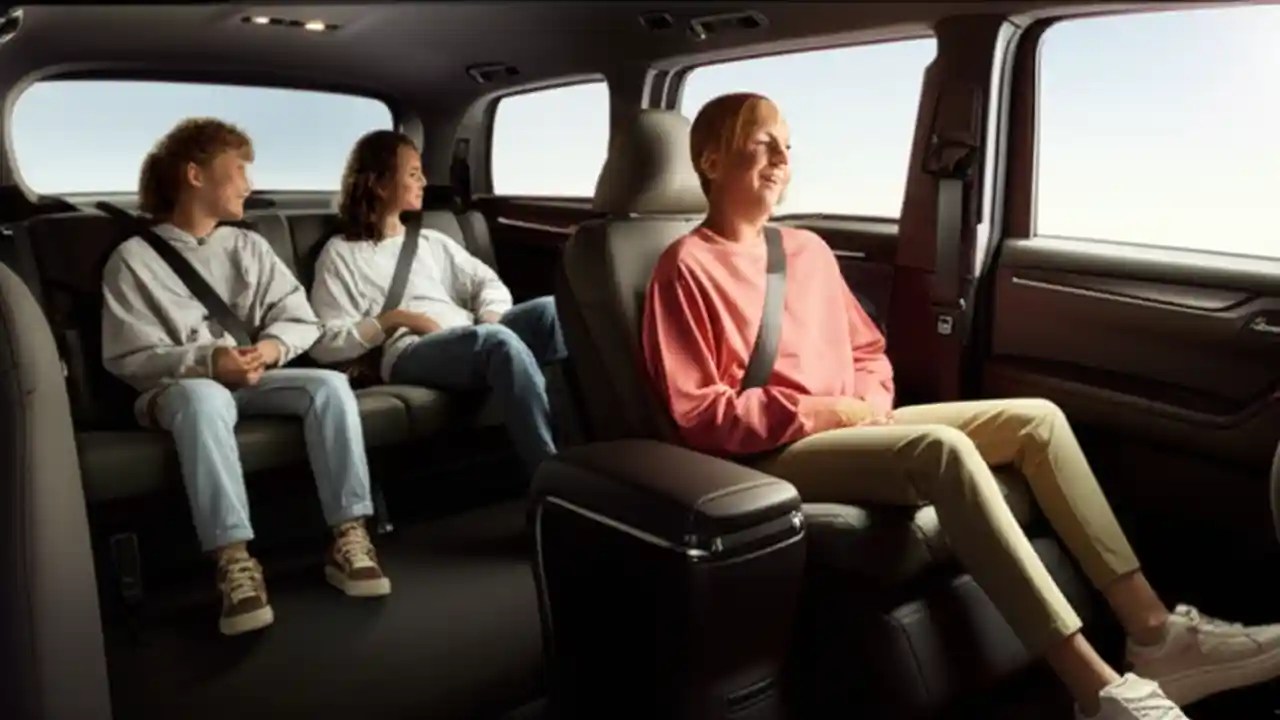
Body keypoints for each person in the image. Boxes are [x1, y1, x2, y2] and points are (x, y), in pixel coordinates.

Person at [640, 93, 1280, 720]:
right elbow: (701, 414)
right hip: (773, 454)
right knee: (942, 450)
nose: (782, 156)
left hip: (855, 423)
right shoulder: (684, 268)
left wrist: (868, 399)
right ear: (711, 163)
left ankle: (1155, 634)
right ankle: (1097, 688)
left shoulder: (804, 250)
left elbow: (868, 350)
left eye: (788, 146)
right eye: (762, 143)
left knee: (1035, 419)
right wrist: (831, 413)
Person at [102, 118, 391, 637]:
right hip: (175, 392)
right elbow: (130, 357)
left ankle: (349, 533)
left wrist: (272, 348)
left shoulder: (248, 248)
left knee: (328, 386)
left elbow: (301, 318)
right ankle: (233, 559)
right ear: (195, 174)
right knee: (206, 398)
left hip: (251, 383)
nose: (249, 185)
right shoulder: (133, 260)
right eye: (238, 171)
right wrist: (210, 363)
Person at [308, 130, 565, 475]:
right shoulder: (340, 254)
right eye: (413, 174)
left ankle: (592, 450)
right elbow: (326, 341)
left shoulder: (430, 241)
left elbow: (484, 282)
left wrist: (490, 316)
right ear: (380, 185)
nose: (424, 181)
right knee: (498, 342)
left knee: (554, 311)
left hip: (472, 336)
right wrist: (398, 319)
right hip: (409, 352)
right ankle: (548, 472)